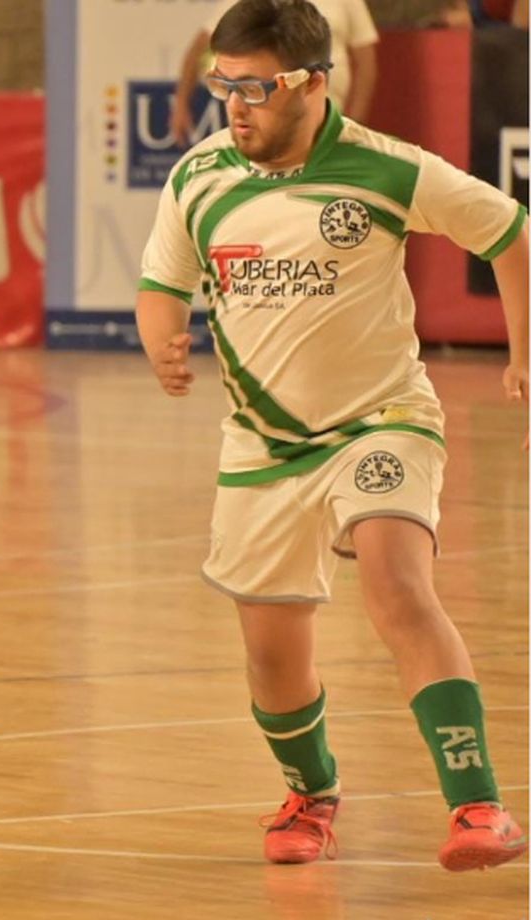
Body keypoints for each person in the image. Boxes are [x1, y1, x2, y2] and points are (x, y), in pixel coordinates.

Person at [137, 0, 528, 871]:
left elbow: (510, 231)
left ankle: (478, 806)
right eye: (223, 86)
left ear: (314, 83)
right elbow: (162, 280)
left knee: (397, 584)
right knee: (272, 653)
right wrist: (160, 337)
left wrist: (525, 357)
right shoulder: (198, 178)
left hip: (381, 419)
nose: (236, 107)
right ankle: (310, 797)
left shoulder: (384, 168)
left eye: (255, 88)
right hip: (263, 446)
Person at [170, 0, 377, 147]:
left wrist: (354, 122)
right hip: (263, 121)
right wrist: (180, 104)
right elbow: (198, 48)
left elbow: (366, 64)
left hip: (332, 115)